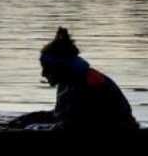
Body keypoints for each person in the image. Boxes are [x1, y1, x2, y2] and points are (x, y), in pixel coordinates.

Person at [10, 27, 138, 133]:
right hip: (102, 130)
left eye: (47, 69)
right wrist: (26, 119)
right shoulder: (71, 81)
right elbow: (61, 116)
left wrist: (32, 128)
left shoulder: (81, 85)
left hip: (113, 137)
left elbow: (70, 126)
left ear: (60, 68)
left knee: (30, 128)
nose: (43, 74)